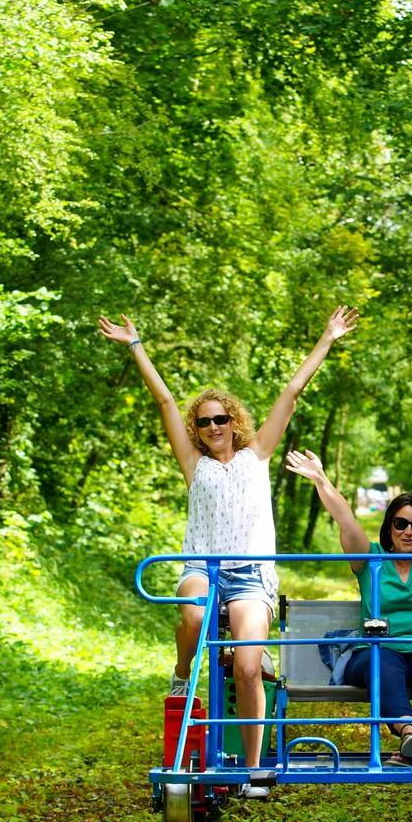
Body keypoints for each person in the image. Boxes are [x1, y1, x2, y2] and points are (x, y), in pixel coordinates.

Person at [98, 306, 358, 795]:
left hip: (252, 575)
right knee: (194, 619)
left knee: (245, 665)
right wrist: (135, 345)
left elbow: (291, 393)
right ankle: (183, 675)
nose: (213, 426)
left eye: (220, 418)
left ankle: (254, 769)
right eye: (205, 422)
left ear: (233, 421)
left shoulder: (257, 456)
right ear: (197, 430)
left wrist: (327, 337)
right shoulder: (193, 464)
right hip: (203, 564)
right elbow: (166, 402)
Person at [284, 435, 412, 761]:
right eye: (400, 523)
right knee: (379, 662)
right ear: (389, 526)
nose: (409, 531)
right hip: (380, 650)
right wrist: (320, 479)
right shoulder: (369, 559)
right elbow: (346, 519)